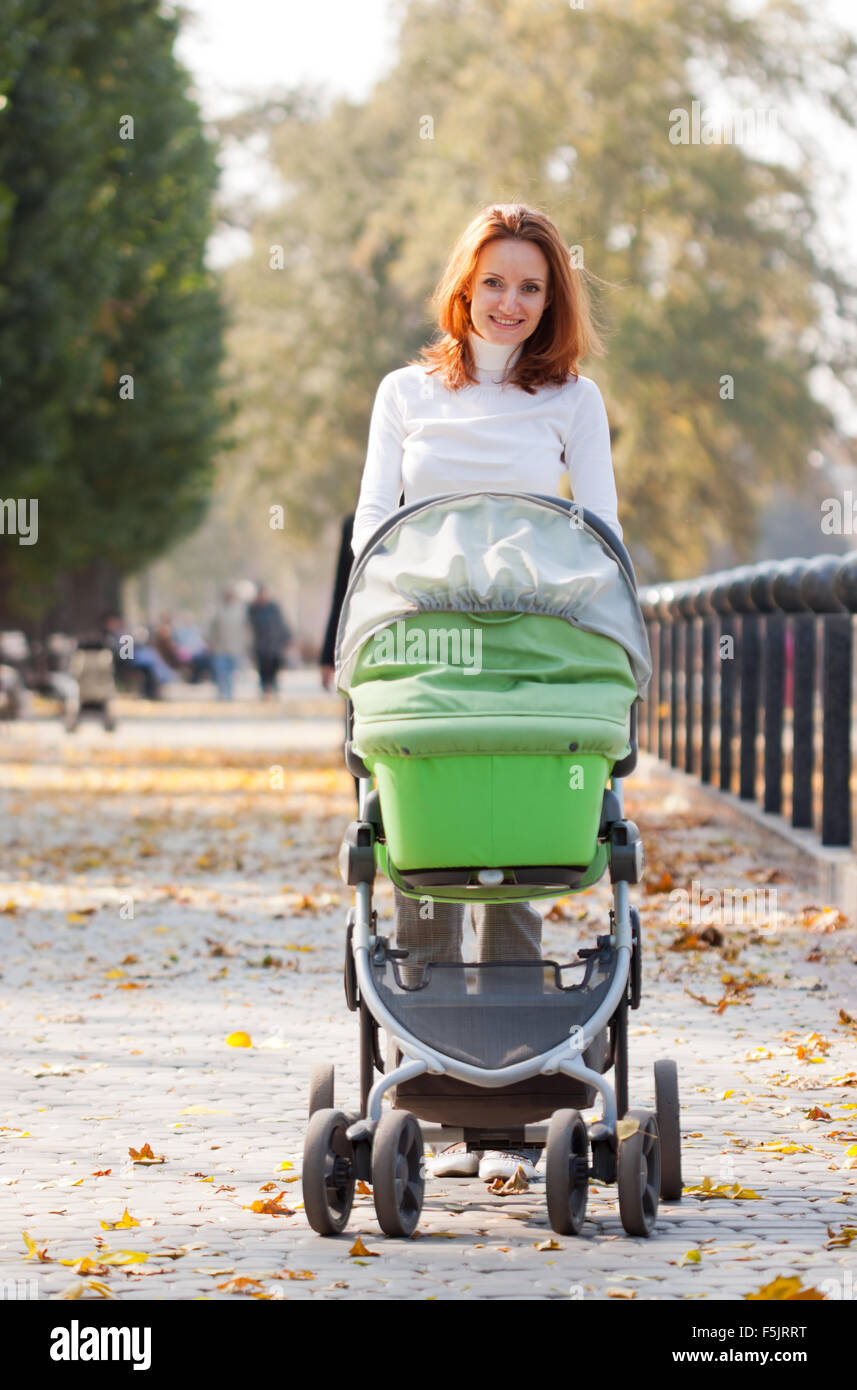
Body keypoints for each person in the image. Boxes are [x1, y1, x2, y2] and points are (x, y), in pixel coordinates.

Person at [352, 202, 623, 1184]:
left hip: (527, 639)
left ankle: (507, 1093)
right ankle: (424, 1070)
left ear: (551, 300)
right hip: (425, 633)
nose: (509, 303)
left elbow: (596, 530)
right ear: (463, 285)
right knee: (424, 851)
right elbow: (372, 522)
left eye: (531, 286)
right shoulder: (404, 393)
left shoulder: (569, 400)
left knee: (512, 848)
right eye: (494, 282)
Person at [247, 585, 291, 696]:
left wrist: (287, 638)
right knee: (263, 669)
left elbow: (281, 624)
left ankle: (273, 689)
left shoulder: (273, 608)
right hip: (261, 646)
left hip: (274, 645)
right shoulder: (253, 609)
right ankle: (265, 690)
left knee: (274, 668)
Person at [208, 586, 249, 700]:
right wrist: (211, 643)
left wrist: (245, 644)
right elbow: (212, 629)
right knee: (221, 672)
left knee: (231, 673)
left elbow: (245, 630)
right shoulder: (218, 611)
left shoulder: (241, 611)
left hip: (235, 647)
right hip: (220, 647)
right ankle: (221, 693)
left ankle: (230, 694)